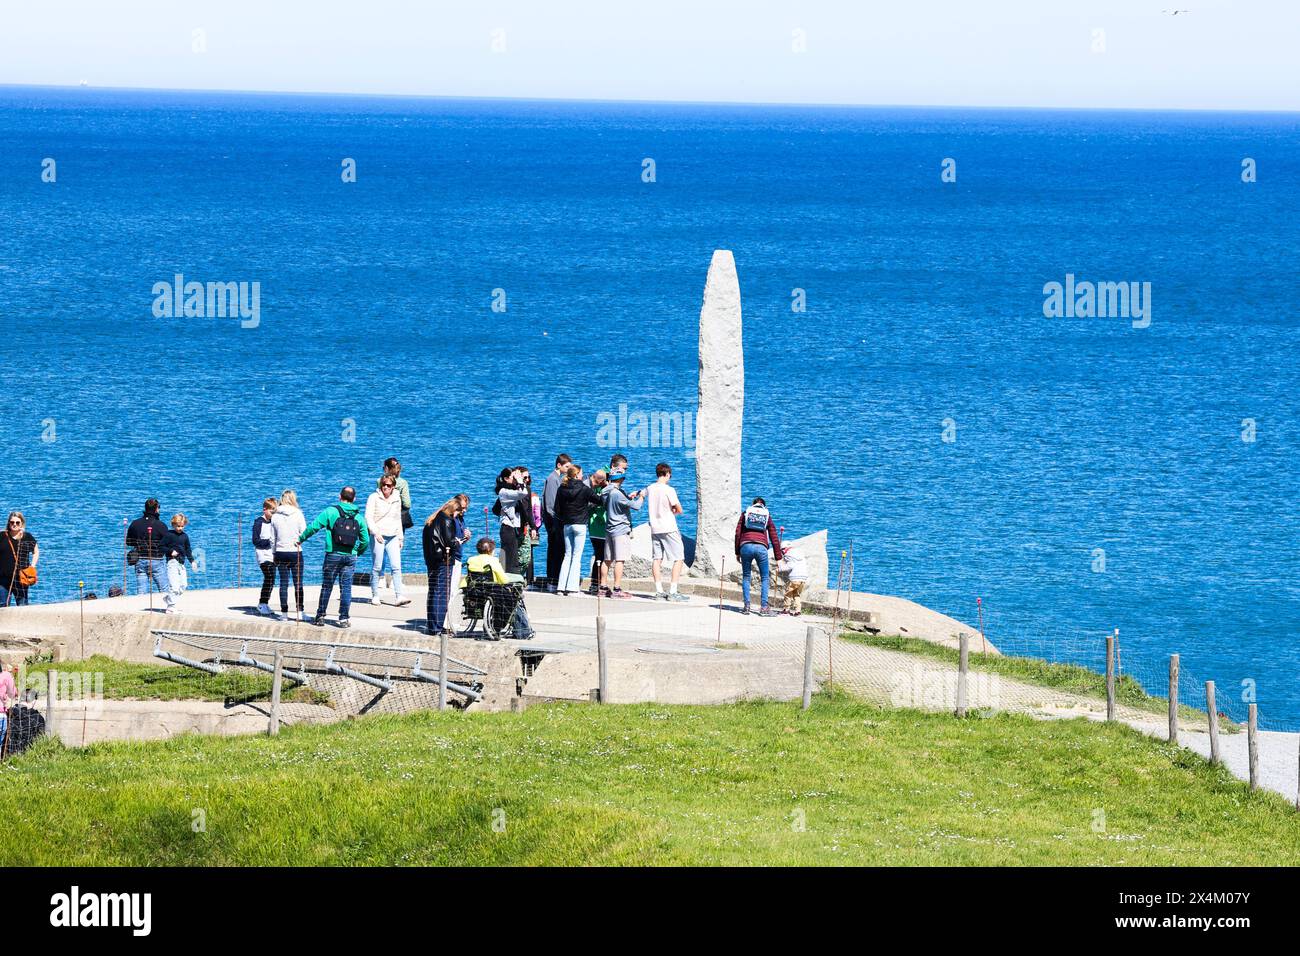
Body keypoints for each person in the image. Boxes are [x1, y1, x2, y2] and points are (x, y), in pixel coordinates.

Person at [299, 487, 369, 628]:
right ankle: (343, 618)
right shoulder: (359, 517)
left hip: (332, 555)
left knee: (327, 586)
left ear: (339, 496)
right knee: (346, 588)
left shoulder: (330, 511)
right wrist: (356, 551)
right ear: (354, 499)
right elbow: (365, 540)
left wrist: (301, 538)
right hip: (350, 557)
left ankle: (320, 616)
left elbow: (314, 527)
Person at [461, 538, 535, 639]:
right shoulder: (493, 561)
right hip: (491, 590)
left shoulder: (471, 560)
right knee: (514, 597)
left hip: (475, 590)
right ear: (490, 550)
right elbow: (503, 580)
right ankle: (523, 630)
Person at [554, 464, 603, 595]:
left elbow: (557, 509)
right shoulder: (584, 488)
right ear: (576, 475)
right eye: (581, 473)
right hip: (580, 524)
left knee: (567, 555)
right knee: (576, 557)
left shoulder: (561, 488)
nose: (583, 476)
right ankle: (572, 588)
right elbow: (599, 500)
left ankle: (561, 587)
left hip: (567, 524)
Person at [645, 462, 689, 602]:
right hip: (669, 527)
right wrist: (673, 511)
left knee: (657, 558)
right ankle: (673, 591)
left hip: (655, 528)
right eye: (670, 475)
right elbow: (679, 509)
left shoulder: (650, 488)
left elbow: (641, 493)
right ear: (667, 474)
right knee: (679, 557)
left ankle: (659, 591)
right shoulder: (669, 490)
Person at [734, 497, 783, 616]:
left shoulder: (746, 513)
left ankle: (746, 606)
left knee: (746, 576)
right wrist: (778, 557)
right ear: (763, 506)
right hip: (761, 548)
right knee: (765, 577)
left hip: (745, 547)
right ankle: (764, 607)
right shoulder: (766, 515)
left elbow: (738, 533)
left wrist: (737, 552)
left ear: (753, 505)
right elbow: (774, 536)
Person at [365, 476, 409, 607]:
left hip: (393, 535)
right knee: (377, 566)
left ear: (393, 487)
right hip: (378, 535)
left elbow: (397, 518)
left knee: (396, 566)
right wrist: (375, 532)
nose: (385, 487)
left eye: (388, 485)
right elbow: (368, 517)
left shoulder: (397, 498)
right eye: (383, 485)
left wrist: (401, 537)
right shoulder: (373, 497)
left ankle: (399, 595)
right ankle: (375, 595)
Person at [603, 464, 644, 599]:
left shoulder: (607, 491)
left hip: (609, 528)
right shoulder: (617, 493)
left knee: (607, 559)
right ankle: (617, 589)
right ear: (621, 479)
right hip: (620, 530)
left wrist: (629, 497)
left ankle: (602, 587)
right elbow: (637, 506)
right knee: (620, 560)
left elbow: (617, 504)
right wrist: (641, 497)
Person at [423, 497, 460, 636]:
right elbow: (449, 542)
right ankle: (438, 626)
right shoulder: (447, 520)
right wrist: (458, 542)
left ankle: (432, 625)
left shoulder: (431, 520)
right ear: (453, 510)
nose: (458, 515)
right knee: (443, 593)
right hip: (444, 561)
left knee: (433, 592)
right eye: (458, 511)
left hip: (431, 560)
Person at [271, 489, 307, 621]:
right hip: (295, 551)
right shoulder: (298, 514)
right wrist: (298, 541)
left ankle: (284, 614)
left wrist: (274, 552)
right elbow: (304, 532)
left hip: (280, 552)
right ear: (293, 499)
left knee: (283, 583)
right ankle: (300, 612)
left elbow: (272, 538)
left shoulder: (275, 515)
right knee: (298, 583)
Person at [377, 457, 412, 584]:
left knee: (381, 548)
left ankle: (380, 577)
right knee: (395, 549)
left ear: (386, 468)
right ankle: (394, 580)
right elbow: (407, 504)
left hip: (381, 518)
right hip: (397, 518)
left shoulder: (379, 481)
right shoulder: (402, 483)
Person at [540, 453, 572, 592]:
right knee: (554, 550)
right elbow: (550, 504)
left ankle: (554, 579)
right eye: (567, 466)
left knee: (556, 550)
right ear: (559, 465)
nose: (568, 469)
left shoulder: (557, 478)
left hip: (555, 520)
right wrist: (556, 520)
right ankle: (552, 580)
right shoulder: (553, 479)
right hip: (553, 522)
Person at [126, 499, 169, 597]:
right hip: (156, 559)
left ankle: (142, 609)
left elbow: (128, 542)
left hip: (140, 559)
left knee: (141, 591)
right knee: (164, 589)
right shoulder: (161, 525)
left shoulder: (135, 523)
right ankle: (168, 608)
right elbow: (167, 543)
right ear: (156, 509)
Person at [494, 468, 532, 576]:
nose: (515, 479)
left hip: (512, 529)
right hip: (508, 528)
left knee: (512, 558)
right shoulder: (504, 492)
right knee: (509, 560)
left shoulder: (510, 491)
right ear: (506, 478)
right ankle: (508, 584)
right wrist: (519, 480)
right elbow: (523, 493)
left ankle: (509, 583)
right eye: (512, 477)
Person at [0, 512, 38, 608]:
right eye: (12, 522)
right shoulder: (2, 536)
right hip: (2, 579)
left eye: (17, 522)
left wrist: (32, 566)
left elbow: (36, 552)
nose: (14, 524)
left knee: (23, 605)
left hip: (22, 578)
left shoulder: (27, 537)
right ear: (9, 523)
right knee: (2, 606)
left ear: (21, 523)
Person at [161, 513, 195, 614]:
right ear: (173, 525)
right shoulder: (169, 535)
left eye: (182, 526)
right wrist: (170, 551)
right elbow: (161, 546)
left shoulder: (185, 536)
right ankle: (171, 606)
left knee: (183, 585)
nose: (180, 528)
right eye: (178, 526)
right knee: (174, 586)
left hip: (181, 563)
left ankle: (168, 599)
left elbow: (188, 549)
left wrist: (192, 561)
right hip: (172, 562)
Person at [252, 496, 278, 616]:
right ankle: (262, 603)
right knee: (268, 577)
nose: (273, 514)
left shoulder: (274, 522)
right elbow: (256, 541)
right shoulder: (259, 522)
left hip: (272, 555)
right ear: (265, 509)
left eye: (275, 511)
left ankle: (265, 602)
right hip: (262, 555)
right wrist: (270, 542)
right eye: (271, 511)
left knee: (272, 579)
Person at [585, 470, 610, 595]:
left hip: (593, 528)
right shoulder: (601, 491)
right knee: (602, 557)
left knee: (598, 556)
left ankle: (595, 583)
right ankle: (597, 584)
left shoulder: (593, 488)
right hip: (600, 529)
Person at [775, 544, 809, 616]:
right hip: (803, 578)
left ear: (784, 549)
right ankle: (798, 611)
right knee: (796, 594)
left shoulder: (789, 555)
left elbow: (789, 566)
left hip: (794, 578)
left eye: (782, 551)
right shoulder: (799, 554)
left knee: (788, 594)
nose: (782, 553)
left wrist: (779, 569)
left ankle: (786, 610)